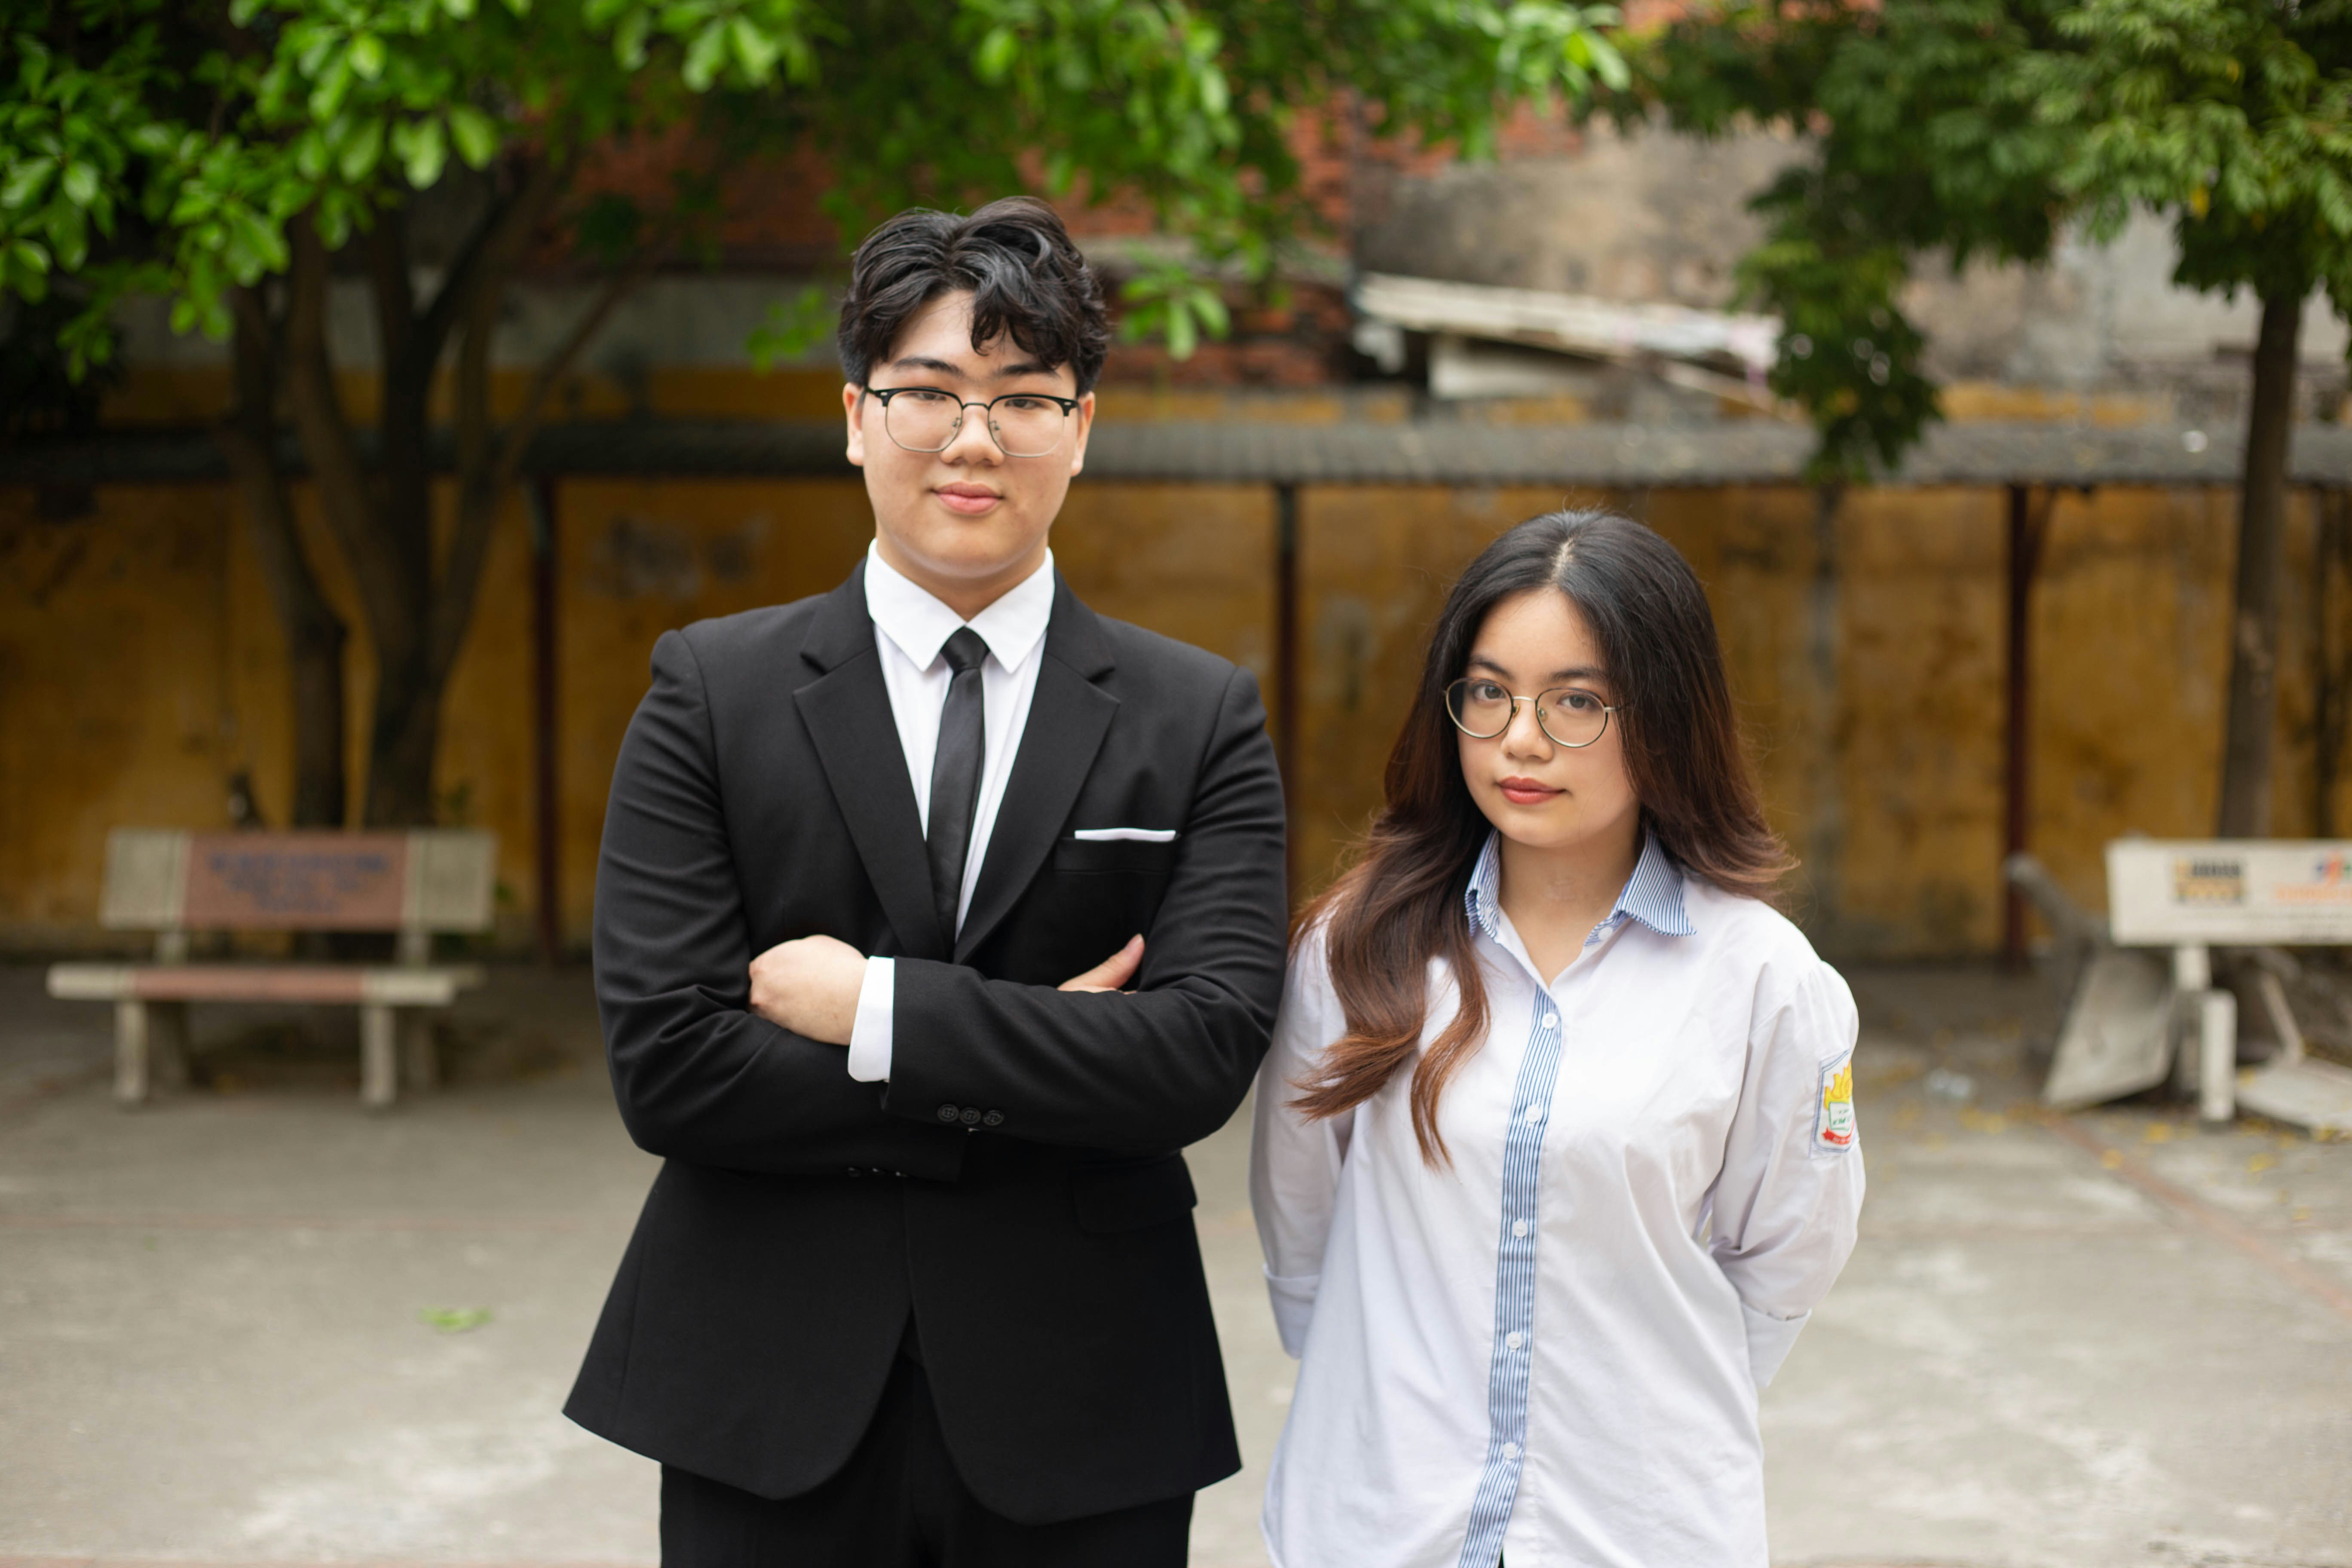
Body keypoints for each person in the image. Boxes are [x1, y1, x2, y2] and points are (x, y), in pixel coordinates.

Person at [565, 196, 1289, 1567]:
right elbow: (668, 1064)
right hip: (765, 1384)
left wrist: (876, 1013)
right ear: (856, 417)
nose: (974, 438)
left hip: (1085, 1391)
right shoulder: (710, 693)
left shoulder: (1196, 717)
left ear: (1080, 429)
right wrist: (1043, 1060)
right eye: (930, 393)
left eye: (1024, 397)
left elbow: (1196, 1058)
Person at [1250, 512, 1864, 1568]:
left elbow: (1786, 1257)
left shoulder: (1763, 980)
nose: (1521, 739)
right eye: (1488, 692)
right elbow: (1299, 1228)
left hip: (1634, 1529)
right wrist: (1388, 1404)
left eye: (1576, 701)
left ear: (1666, 716)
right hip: (1381, 1522)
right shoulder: (1354, 951)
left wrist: (1648, 1405)